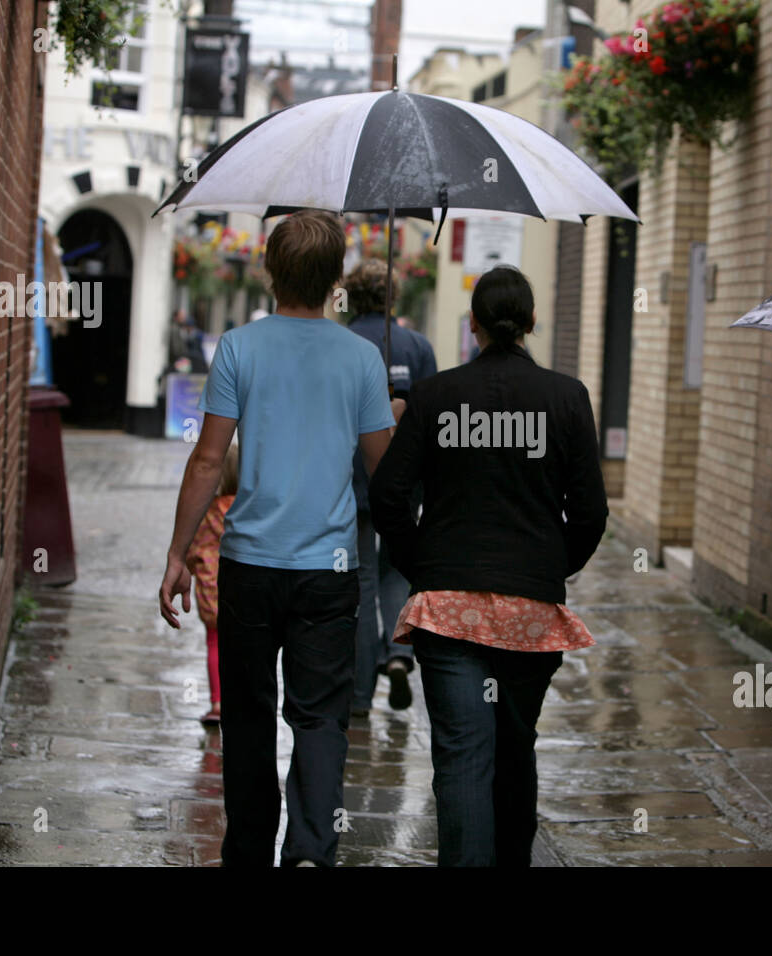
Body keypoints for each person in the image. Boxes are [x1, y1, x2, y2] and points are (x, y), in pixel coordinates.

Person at [159, 210, 403, 868]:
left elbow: (208, 461)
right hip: (329, 569)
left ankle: (247, 851)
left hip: (249, 565)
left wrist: (179, 553)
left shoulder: (239, 348)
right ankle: (310, 850)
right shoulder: (360, 357)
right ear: (334, 282)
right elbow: (385, 467)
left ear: (270, 272)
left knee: (247, 714)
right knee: (321, 716)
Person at [369, 265, 608, 866]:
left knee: (462, 757)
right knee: (514, 747)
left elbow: (389, 496)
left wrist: (421, 565)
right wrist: (551, 566)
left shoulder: (433, 397)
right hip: (530, 608)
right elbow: (591, 512)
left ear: (472, 325)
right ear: (530, 323)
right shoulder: (567, 397)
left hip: (447, 604)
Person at [344, 259, 437, 715]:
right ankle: (400, 655)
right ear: (392, 297)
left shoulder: (341, 343)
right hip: (405, 482)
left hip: (353, 481)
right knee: (396, 572)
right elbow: (432, 418)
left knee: (360, 582)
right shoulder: (417, 347)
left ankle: (359, 695)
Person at [185, 442, 240, 725]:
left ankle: (217, 703)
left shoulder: (208, 512)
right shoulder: (245, 510)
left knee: (214, 644)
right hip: (241, 592)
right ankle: (241, 701)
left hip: (210, 592)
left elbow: (193, 550)